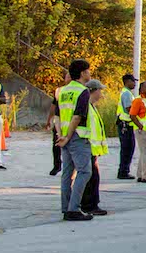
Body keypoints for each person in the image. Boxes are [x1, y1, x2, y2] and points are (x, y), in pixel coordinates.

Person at [55, 60, 96, 222]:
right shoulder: (82, 92)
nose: (89, 73)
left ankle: (66, 208)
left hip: (64, 136)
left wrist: (61, 135)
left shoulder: (62, 91)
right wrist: (68, 136)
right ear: (82, 73)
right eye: (88, 71)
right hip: (77, 136)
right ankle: (74, 209)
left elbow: (57, 116)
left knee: (67, 173)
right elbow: (77, 116)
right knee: (85, 171)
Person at [79, 80, 110, 217]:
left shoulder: (91, 106)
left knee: (93, 177)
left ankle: (91, 204)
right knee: (91, 178)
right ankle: (89, 205)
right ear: (94, 90)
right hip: (88, 146)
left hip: (92, 148)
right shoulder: (86, 106)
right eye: (100, 91)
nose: (101, 94)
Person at [115, 74, 137, 179]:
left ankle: (124, 170)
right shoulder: (127, 94)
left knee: (127, 148)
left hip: (125, 124)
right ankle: (123, 171)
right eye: (133, 81)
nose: (135, 83)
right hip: (125, 124)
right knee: (127, 148)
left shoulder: (126, 93)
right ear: (127, 81)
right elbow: (129, 109)